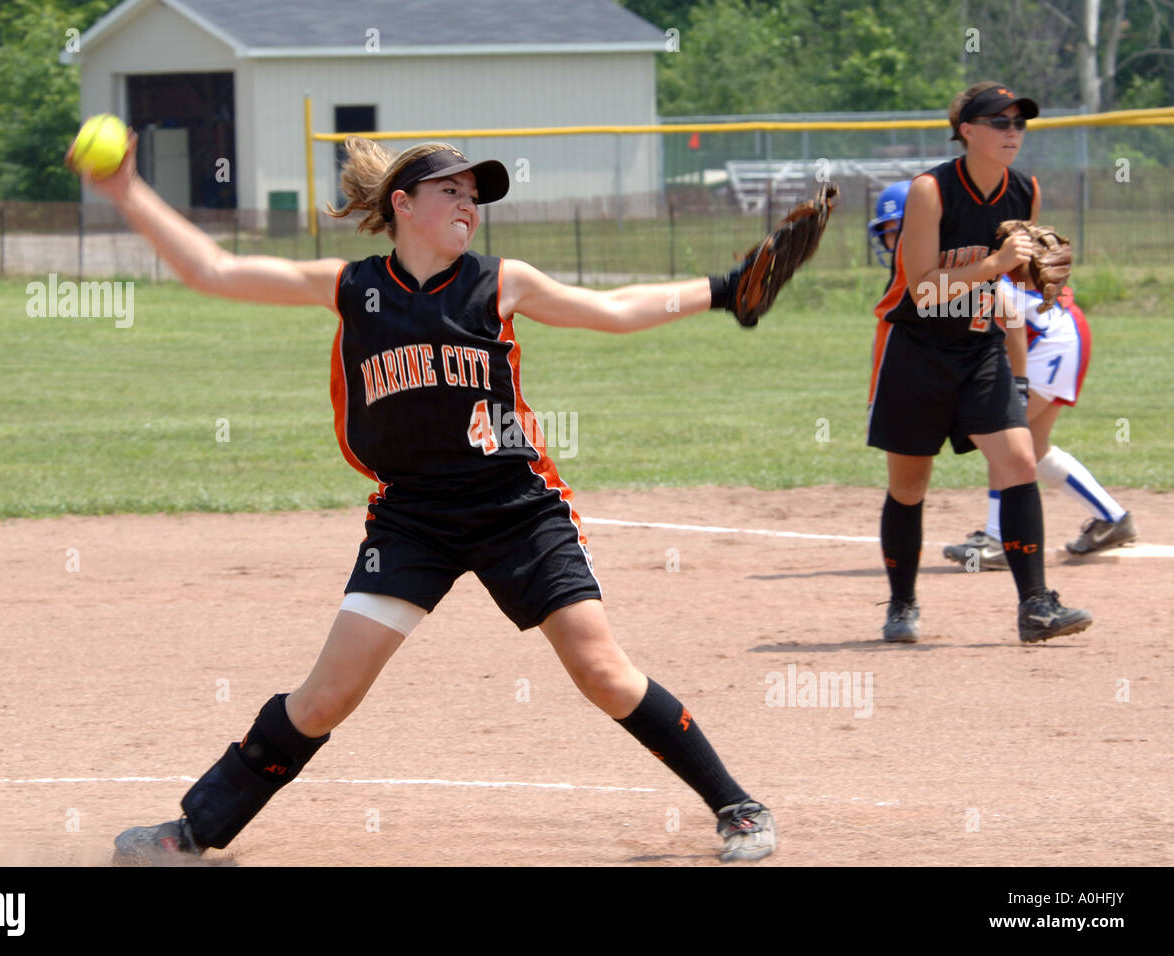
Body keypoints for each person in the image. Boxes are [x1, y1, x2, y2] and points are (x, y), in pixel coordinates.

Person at [75, 131, 777, 864]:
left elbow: (614, 308)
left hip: (516, 506)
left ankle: (738, 807)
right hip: (412, 516)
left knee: (601, 670)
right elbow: (214, 269)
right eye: (452, 191)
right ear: (404, 204)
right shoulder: (352, 287)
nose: (468, 205)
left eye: (475, 196)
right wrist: (127, 190)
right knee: (323, 699)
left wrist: (725, 289)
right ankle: (192, 832)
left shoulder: (501, 282)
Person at [867, 81, 1093, 644]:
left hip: (980, 347)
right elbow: (920, 291)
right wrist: (995, 262)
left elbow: (1007, 283)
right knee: (911, 484)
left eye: (1019, 123)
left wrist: (1029, 273)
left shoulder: (1025, 190)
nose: (1012, 132)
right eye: (999, 122)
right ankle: (902, 604)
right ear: (967, 131)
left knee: (1018, 461)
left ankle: (1036, 607)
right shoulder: (930, 191)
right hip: (915, 350)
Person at [869, 182, 1138, 571]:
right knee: (1033, 448)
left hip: (1050, 339)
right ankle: (1112, 519)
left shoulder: (959, 258)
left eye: (900, 228)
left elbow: (1009, 316)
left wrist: (1018, 384)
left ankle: (997, 540)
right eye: (892, 231)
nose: (895, 239)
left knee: (1003, 438)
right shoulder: (950, 260)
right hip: (1057, 334)